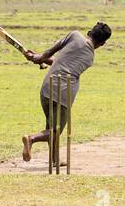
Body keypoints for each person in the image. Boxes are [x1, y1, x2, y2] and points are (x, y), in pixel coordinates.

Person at [21, 22, 112, 163]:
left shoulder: (74, 35)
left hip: (46, 88)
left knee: (50, 127)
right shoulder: (89, 58)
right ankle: (31, 139)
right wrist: (40, 58)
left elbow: (55, 56)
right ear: (102, 43)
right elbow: (64, 64)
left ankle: (55, 160)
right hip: (63, 92)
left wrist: (38, 57)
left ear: (89, 32)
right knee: (55, 131)